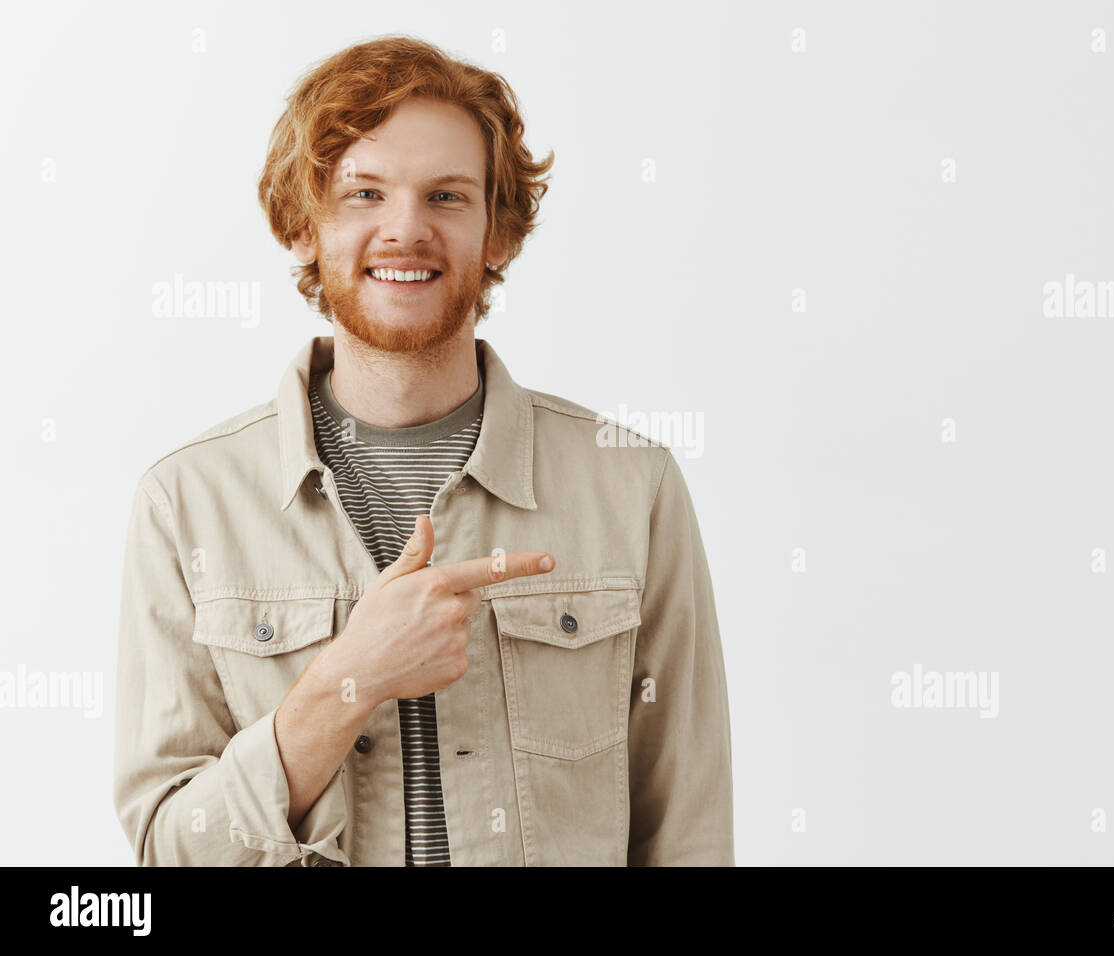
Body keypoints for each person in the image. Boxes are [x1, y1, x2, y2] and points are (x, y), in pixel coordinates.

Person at [112, 35, 734, 866]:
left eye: (446, 196)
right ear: (302, 227)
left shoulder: (632, 484)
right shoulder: (185, 502)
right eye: (363, 194)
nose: (405, 230)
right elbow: (167, 849)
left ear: (498, 235)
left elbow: (688, 828)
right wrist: (351, 679)